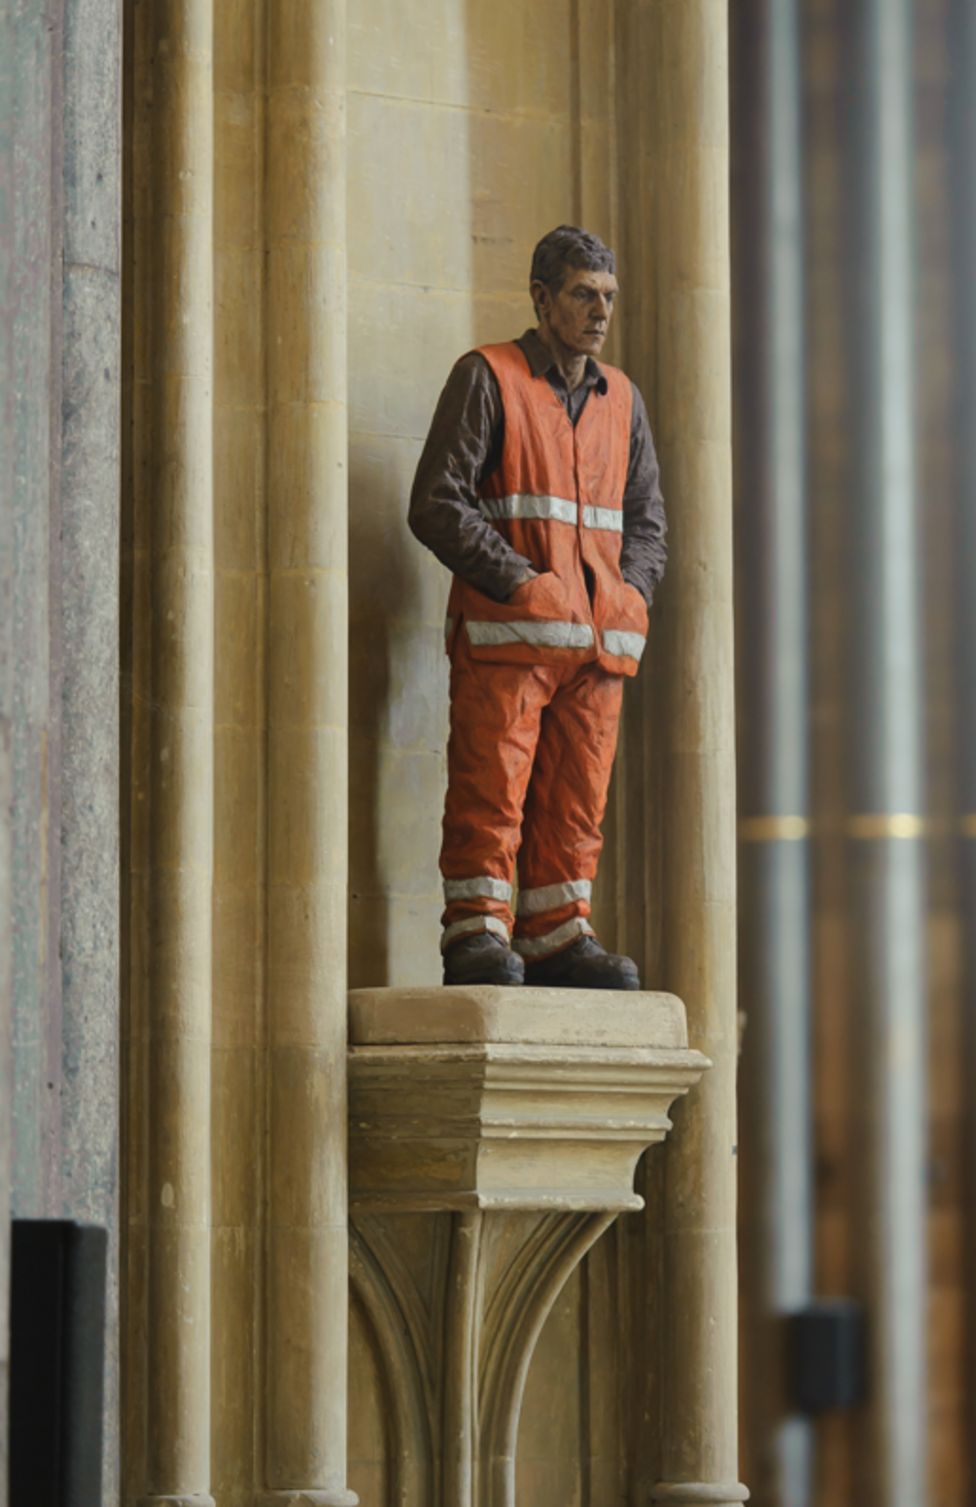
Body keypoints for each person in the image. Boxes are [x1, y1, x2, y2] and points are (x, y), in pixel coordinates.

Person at [409, 225, 667, 989]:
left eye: (608, 297)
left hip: (598, 647)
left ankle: (557, 932)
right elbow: (436, 502)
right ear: (542, 298)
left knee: (577, 800)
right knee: (491, 787)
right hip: (508, 637)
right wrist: (523, 583)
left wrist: (629, 595)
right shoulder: (487, 376)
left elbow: (648, 523)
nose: (600, 311)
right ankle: (477, 929)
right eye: (584, 294)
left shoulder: (622, 400)